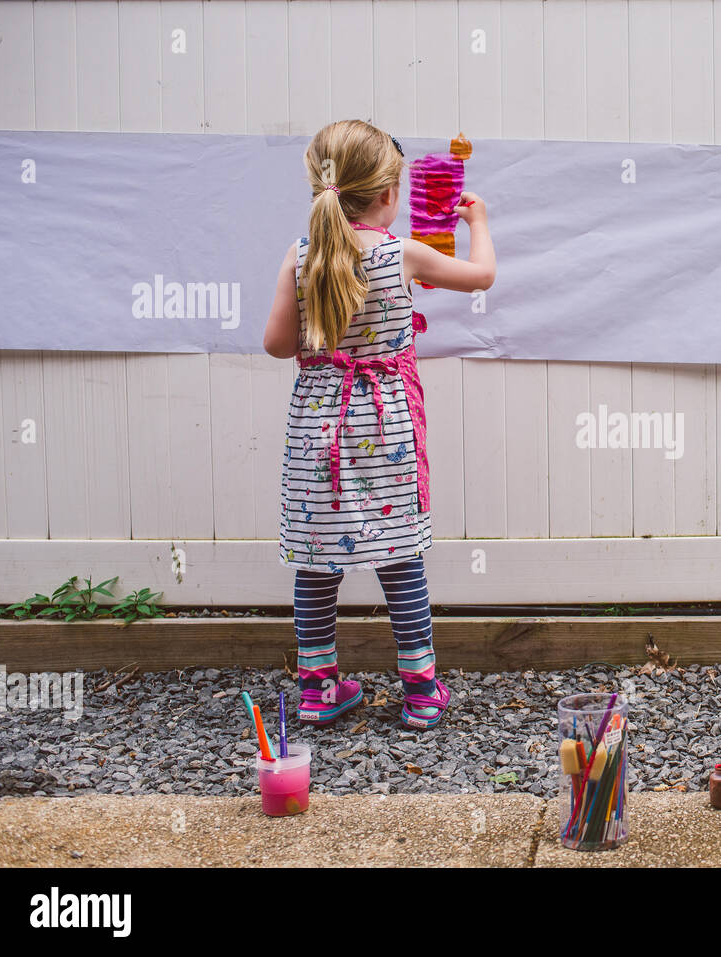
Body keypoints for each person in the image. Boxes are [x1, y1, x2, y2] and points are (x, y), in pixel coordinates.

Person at [263, 120, 495, 730]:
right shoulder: (401, 254)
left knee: (316, 560)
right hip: (385, 425)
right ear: (389, 195)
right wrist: (479, 224)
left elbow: (276, 344)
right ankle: (420, 690)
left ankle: (317, 688)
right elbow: (481, 277)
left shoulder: (301, 254)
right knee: (400, 556)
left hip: (319, 427)